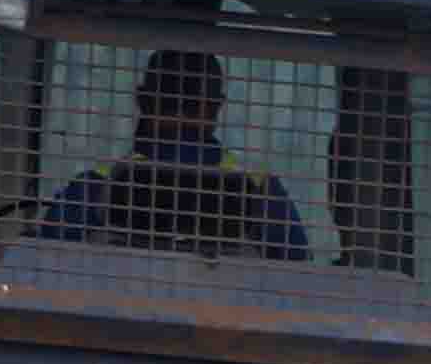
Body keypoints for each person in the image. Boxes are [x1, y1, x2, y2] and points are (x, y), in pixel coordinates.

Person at [28, 46, 308, 260]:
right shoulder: (262, 191)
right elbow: (296, 272)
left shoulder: (92, 189)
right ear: (215, 107)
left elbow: (49, 262)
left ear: (143, 100)